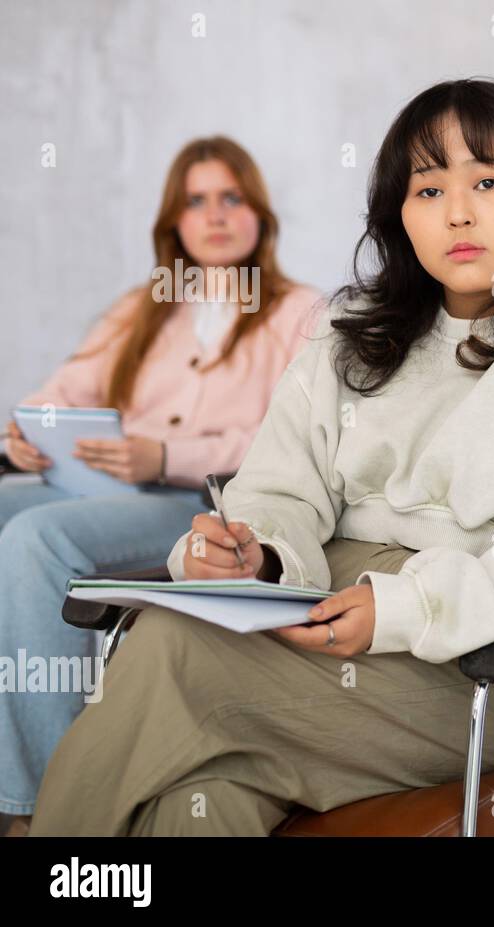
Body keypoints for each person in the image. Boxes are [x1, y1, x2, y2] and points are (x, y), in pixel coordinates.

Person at [29, 79, 494, 836]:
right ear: (402, 211)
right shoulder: (348, 332)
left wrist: (404, 607)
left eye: (487, 181)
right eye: (428, 189)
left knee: (171, 649)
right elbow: (277, 488)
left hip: (491, 658)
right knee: (201, 798)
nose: (458, 211)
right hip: (319, 613)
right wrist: (254, 554)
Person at [0, 136, 318, 834]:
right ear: (173, 220)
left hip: (198, 504)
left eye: (231, 197)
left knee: (32, 538)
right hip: (94, 488)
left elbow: (296, 440)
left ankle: (40, 809)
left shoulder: (300, 312)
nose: (214, 215)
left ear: (259, 213)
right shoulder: (142, 309)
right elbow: (59, 392)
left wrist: (166, 452)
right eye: (195, 200)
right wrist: (24, 433)